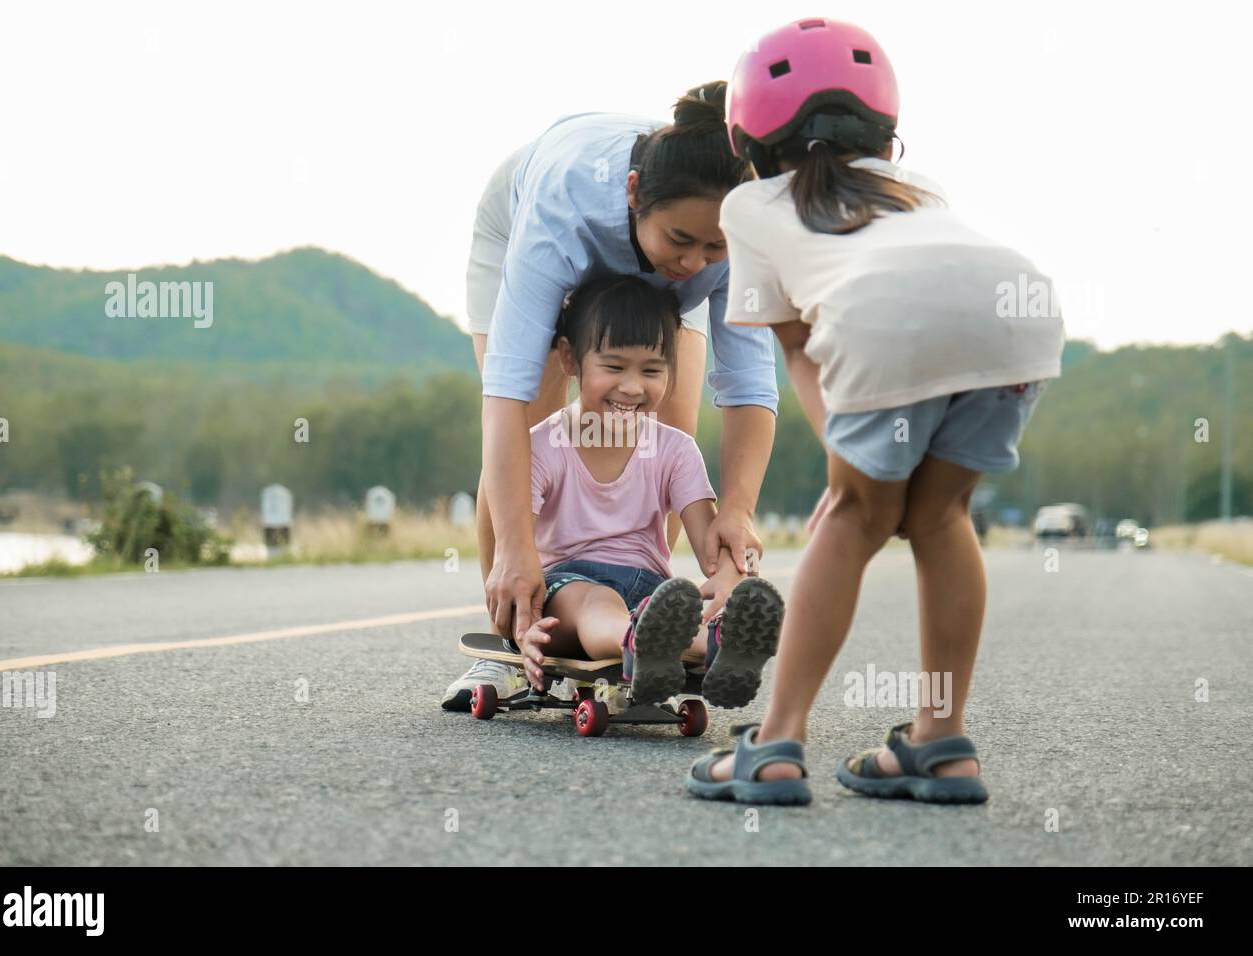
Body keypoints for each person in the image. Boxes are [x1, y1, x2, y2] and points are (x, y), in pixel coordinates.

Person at [686, 18, 1065, 804]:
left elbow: (795, 345)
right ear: (883, 125)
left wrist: (854, 480)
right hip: (1017, 311)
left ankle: (778, 743)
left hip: (885, 318)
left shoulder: (752, 206)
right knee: (941, 516)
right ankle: (941, 741)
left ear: (749, 136)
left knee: (849, 518)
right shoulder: (918, 187)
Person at [443, 84, 781, 711]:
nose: (694, 262)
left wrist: (735, 516)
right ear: (633, 194)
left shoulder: (728, 238)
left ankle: (656, 636)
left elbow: (750, 386)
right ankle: (514, 631)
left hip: (659, 230)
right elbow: (506, 397)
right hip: (527, 226)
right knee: (540, 431)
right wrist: (518, 550)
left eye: (715, 249)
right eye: (681, 241)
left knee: (667, 434)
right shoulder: (561, 212)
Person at [512, 274, 784, 708]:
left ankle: (717, 645)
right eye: (614, 367)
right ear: (570, 359)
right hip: (564, 588)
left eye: (652, 370)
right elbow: (518, 548)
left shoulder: (675, 450)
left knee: (676, 606)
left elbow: (710, 546)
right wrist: (520, 628)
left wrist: (731, 578)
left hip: (651, 595)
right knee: (596, 601)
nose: (633, 387)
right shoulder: (542, 446)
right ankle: (645, 643)